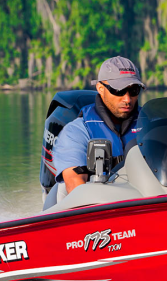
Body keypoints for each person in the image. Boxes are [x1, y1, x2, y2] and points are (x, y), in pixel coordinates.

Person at [51, 56, 146, 196]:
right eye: (119, 91)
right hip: (97, 204)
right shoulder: (77, 131)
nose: (127, 99)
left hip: (143, 201)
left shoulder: (150, 124)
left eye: (134, 91)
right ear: (100, 88)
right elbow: (75, 185)